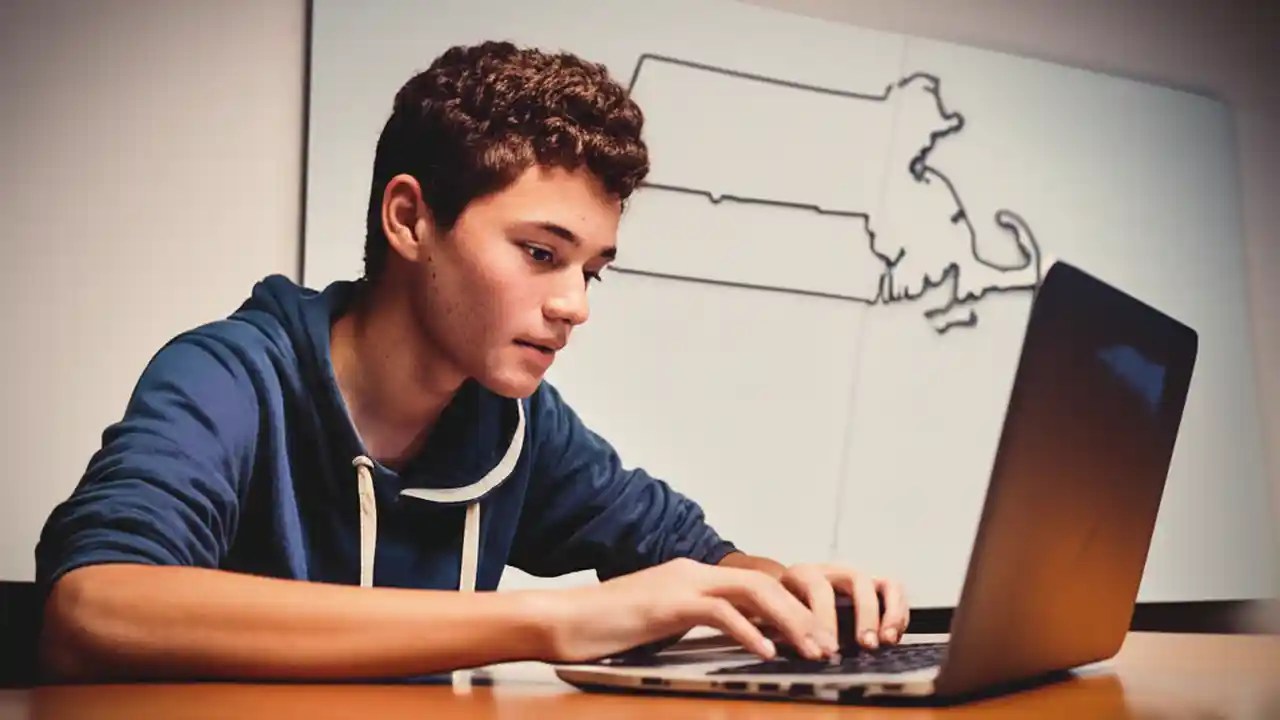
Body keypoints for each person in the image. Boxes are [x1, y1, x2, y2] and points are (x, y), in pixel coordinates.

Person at [34, 41, 909, 682]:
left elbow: (687, 554)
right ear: (411, 220)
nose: (575, 304)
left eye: (592, 269)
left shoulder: (513, 420)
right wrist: (547, 620)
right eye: (540, 252)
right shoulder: (228, 377)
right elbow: (95, 607)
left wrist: (780, 587)